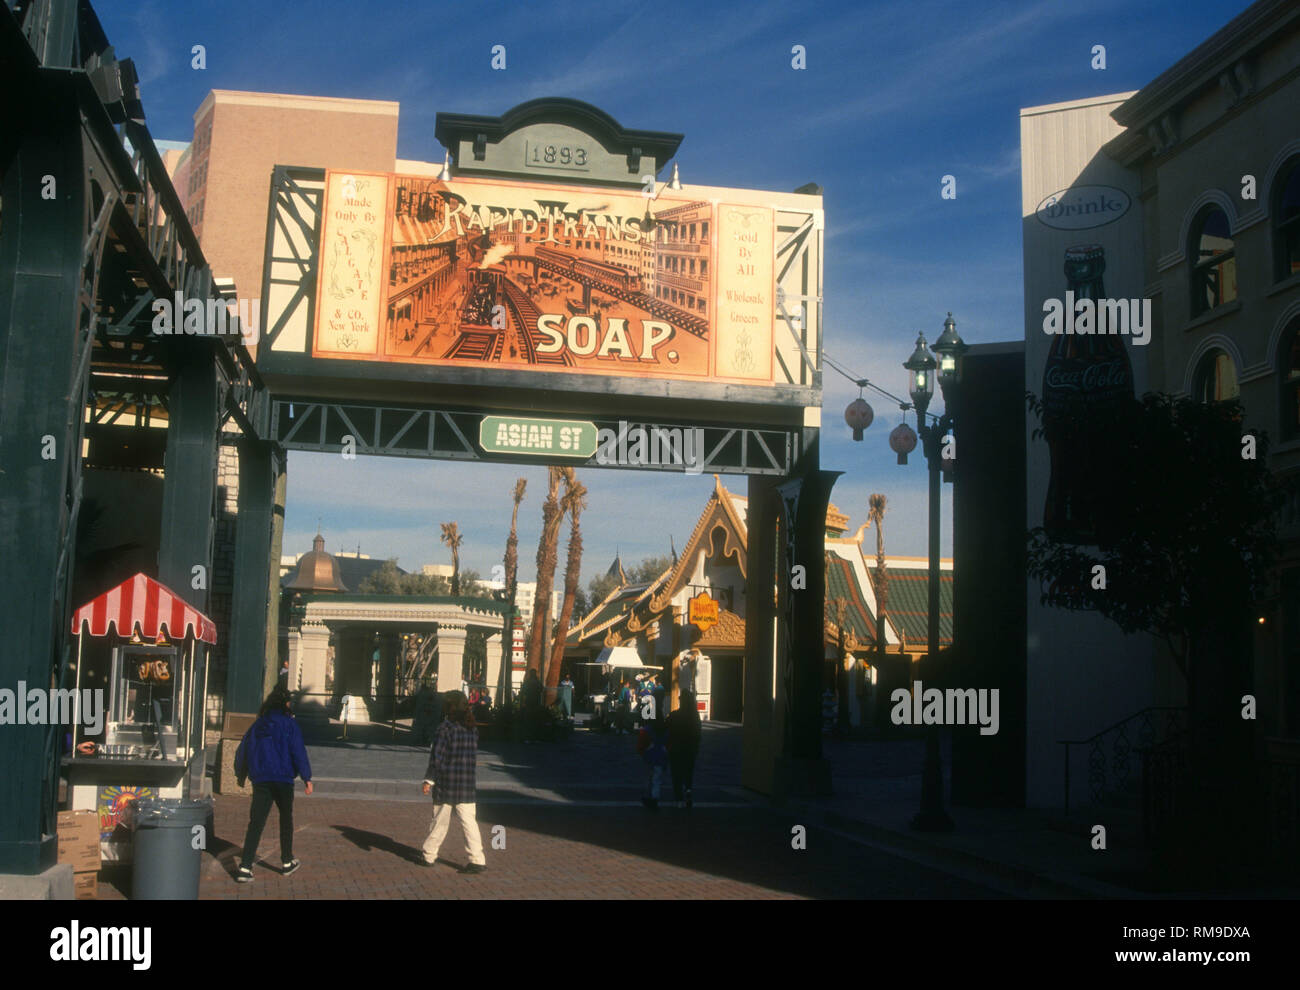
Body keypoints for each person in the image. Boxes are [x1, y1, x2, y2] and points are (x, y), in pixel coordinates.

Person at [233, 686, 313, 882]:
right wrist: (307, 778)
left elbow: (244, 750)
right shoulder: (289, 724)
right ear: (286, 703)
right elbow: (298, 751)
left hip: (261, 778)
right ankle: (287, 861)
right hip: (284, 778)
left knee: (256, 822)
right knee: (286, 819)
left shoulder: (259, 724)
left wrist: (241, 775)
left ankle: (245, 866)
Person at [420, 691, 487, 874]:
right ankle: (477, 859)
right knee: (469, 822)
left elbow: (437, 758)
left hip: (446, 782)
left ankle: (429, 854)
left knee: (440, 821)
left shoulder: (445, 728)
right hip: (466, 783)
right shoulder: (472, 728)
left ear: (449, 708)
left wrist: (429, 780)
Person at [667, 690, 702, 808]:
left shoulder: (674, 715)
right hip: (690, 750)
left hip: (676, 750)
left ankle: (678, 799)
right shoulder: (695, 716)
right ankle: (688, 791)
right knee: (688, 774)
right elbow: (698, 734)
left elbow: (667, 731)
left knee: (676, 775)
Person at [636, 692, 669, 811]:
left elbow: (641, 744)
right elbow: (668, 743)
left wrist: (641, 752)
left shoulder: (647, 729)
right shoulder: (665, 730)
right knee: (657, 779)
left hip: (649, 756)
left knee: (649, 777)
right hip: (661, 757)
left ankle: (648, 796)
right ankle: (654, 797)